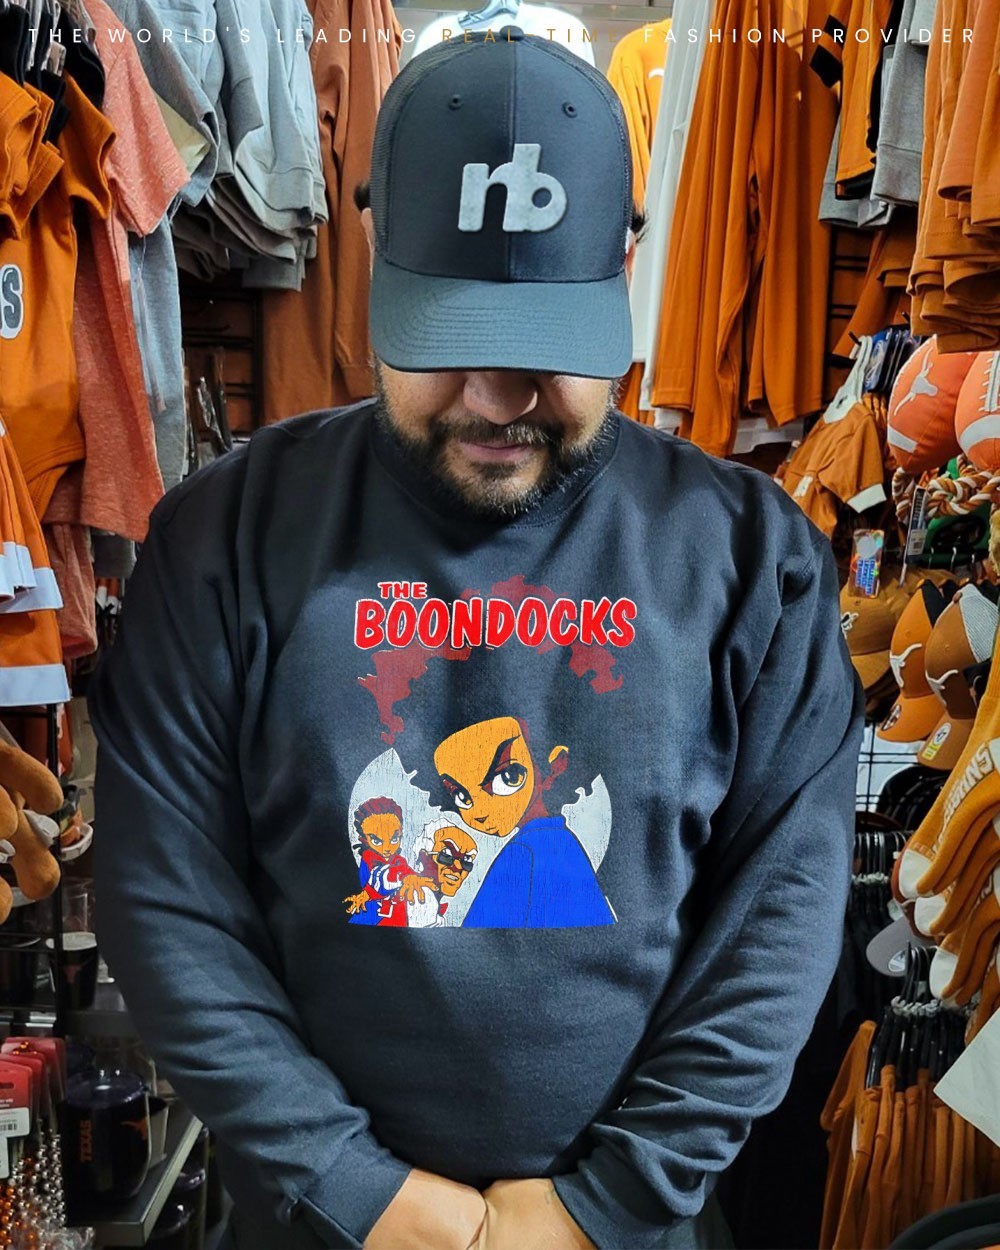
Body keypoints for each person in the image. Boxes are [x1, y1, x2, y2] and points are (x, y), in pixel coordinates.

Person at [91, 29, 864, 1250]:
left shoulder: (750, 557)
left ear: (621, 265)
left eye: (545, 342)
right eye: (449, 335)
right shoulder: (222, 539)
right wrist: (356, 1187)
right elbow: (166, 899)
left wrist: (603, 1202)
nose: (497, 399)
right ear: (375, 261)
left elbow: (781, 913)